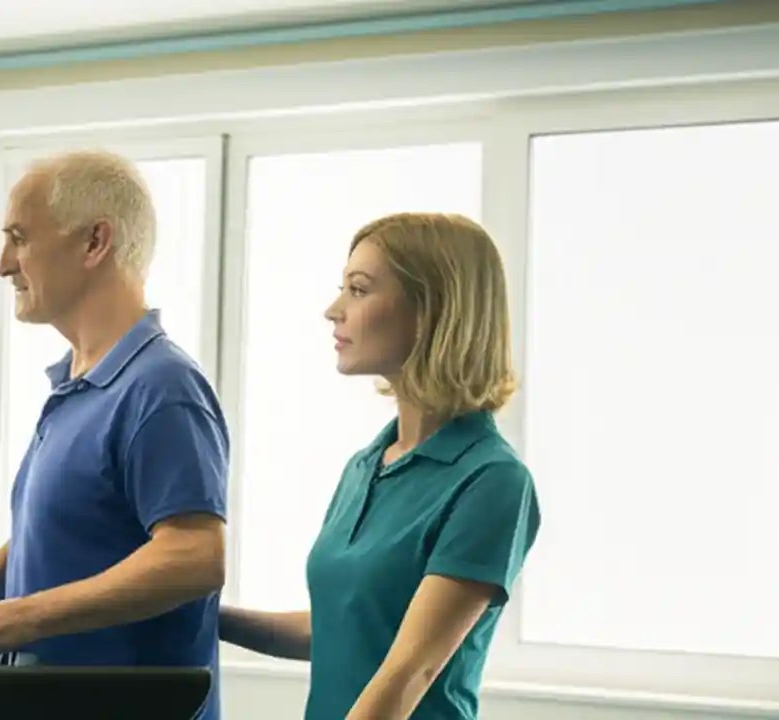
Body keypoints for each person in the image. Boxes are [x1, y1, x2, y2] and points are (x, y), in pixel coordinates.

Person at [0, 150, 228, 720]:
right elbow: (69, 528)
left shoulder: (161, 386)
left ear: (95, 242)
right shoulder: (79, 385)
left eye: (20, 238)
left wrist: (20, 616)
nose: (3, 265)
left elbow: (194, 554)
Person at [219, 212, 540, 720]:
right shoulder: (366, 465)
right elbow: (339, 629)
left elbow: (410, 671)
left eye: (359, 290)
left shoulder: (491, 481)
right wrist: (210, 617)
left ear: (433, 310)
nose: (334, 310)